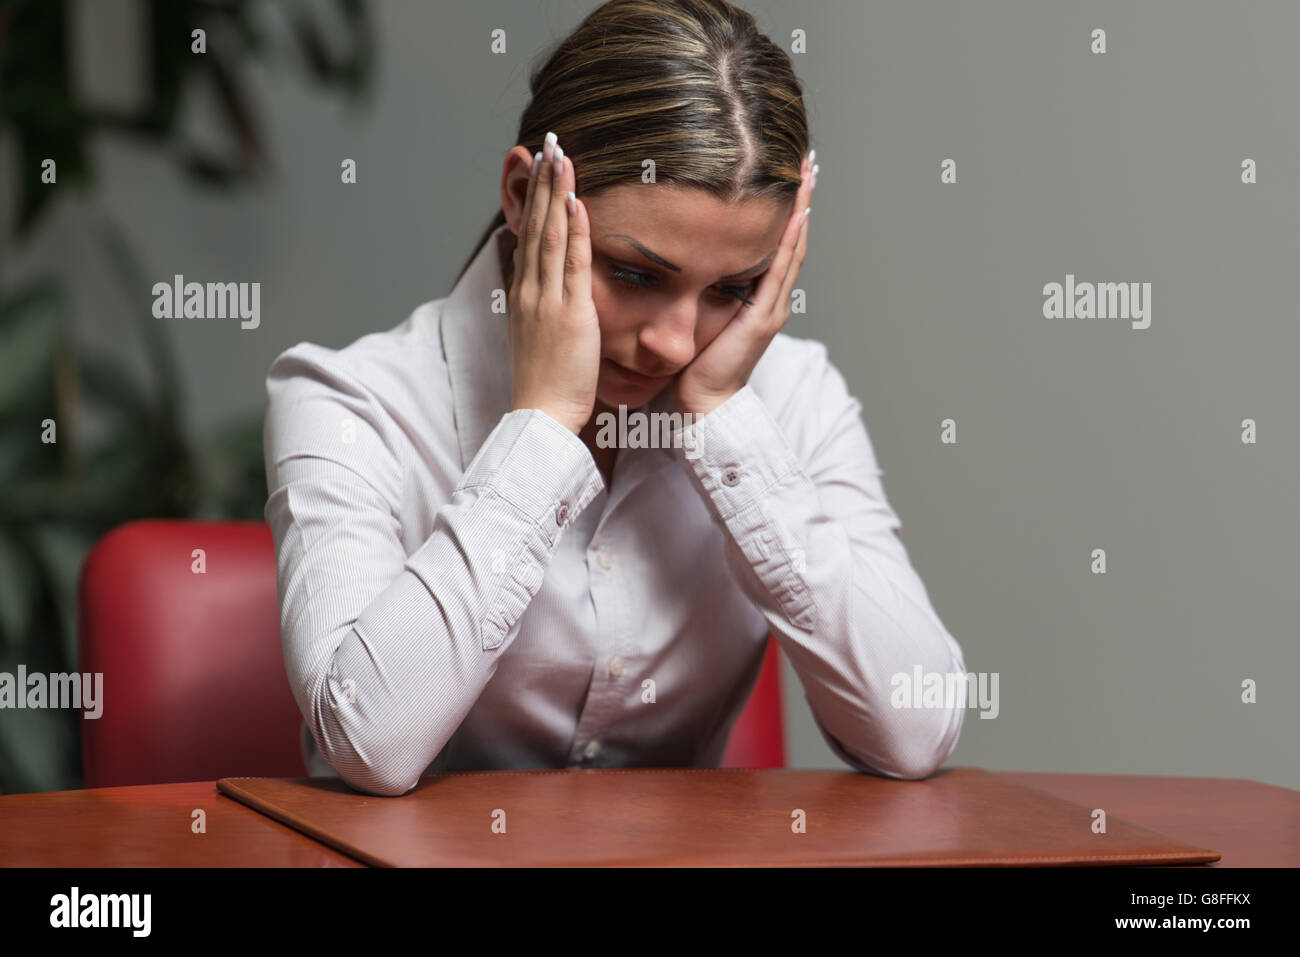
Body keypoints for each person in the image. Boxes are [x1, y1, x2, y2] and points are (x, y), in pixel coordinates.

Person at [262, 0, 966, 797]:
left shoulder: (794, 396)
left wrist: (724, 420)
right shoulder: (349, 403)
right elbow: (369, 742)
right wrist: (541, 429)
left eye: (732, 290)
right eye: (634, 274)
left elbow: (917, 724)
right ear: (526, 198)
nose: (673, 342)